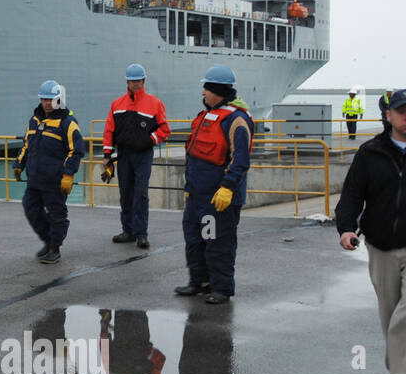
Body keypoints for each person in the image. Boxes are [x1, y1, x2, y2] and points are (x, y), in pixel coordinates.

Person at [335, 87, 406, 374]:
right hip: (380, 246)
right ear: (389, 115)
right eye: (403, 110)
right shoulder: (370, 152)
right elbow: (352, 193)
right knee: (390, 313)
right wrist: (346, 227)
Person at [176, 65, 254, 305]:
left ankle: (221, 287)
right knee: (194, 240)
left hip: (218, 198)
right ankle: (198, 281)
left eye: (206, 89)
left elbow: (240, 159)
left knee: (218, 243)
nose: (203, 93)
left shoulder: (236, 120)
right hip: (197, 196)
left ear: (217, 90)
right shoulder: (206, 117)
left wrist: (228, 188)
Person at [13, 80, 84, 264]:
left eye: (51, 99)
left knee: (57, 214)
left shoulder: (67, 122)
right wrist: (19, 164)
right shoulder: (34, 120)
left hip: (55, 180)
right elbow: (27, 145)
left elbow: (75, 151)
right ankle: (49, 240)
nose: (47, 103)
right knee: (30, 208)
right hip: (35, 178)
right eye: (44, 99)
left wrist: (68, 175)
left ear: (58, 99)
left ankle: (55, 248)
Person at [101, 63, 170, 249]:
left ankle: (141, 234)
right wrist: (107, 155)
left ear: (144, 81)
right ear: (127, 82)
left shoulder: (154, 103)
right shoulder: (117, 104)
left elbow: (165, 129)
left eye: (138, 80)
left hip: (143, 155)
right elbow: (109, 131)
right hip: (124, 155)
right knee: (125, 194)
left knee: (140, 194)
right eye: (132, 81)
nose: (135, 84)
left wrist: (149, 140)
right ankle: (128, 231)